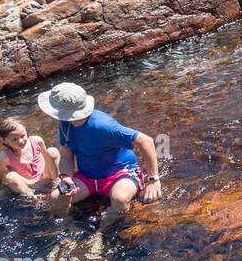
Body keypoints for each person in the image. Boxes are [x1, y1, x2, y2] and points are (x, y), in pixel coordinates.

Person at [38, 82, 163, 217]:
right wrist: (66, 177)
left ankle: (103, 232)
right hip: (88, 176)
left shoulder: (103, 125)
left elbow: (146, 141)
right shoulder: (65, 125)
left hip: (120, 173)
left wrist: (153, 180)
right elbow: (66, 155)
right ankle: (67, 228)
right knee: (57, 198)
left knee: (119, 199)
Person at [0, 118, 60, 196]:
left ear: (26, 132)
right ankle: (34, 198)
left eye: (23, 135)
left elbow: (49, 160)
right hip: (28, 184)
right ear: (5, 141)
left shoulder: (37, 141)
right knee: (10, 176)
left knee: (52, 151)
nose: (21, 141)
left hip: (46, 177)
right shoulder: (5, 156)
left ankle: (58, 185)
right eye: (14, 139)